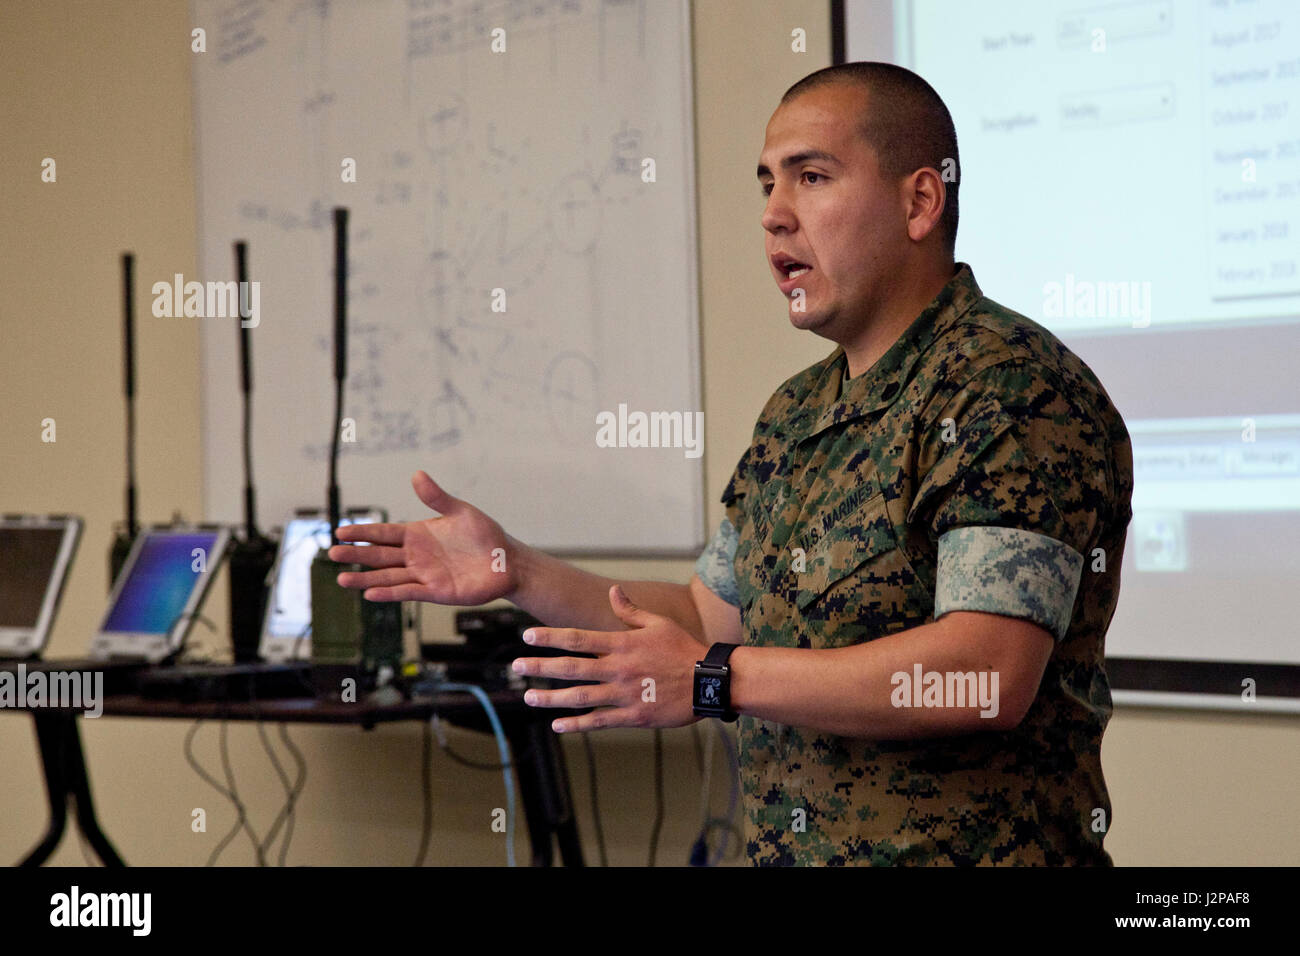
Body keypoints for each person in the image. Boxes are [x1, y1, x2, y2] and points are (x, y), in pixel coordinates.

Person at [329, 62, 1133, 866]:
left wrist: (719, 681)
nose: (775, 217)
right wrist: (516, 568)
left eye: (812, 177)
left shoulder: (1007, 385)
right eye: (766, 186)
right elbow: (704, 619)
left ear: (920, 201)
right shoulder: (794, 413)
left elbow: (983, 674)